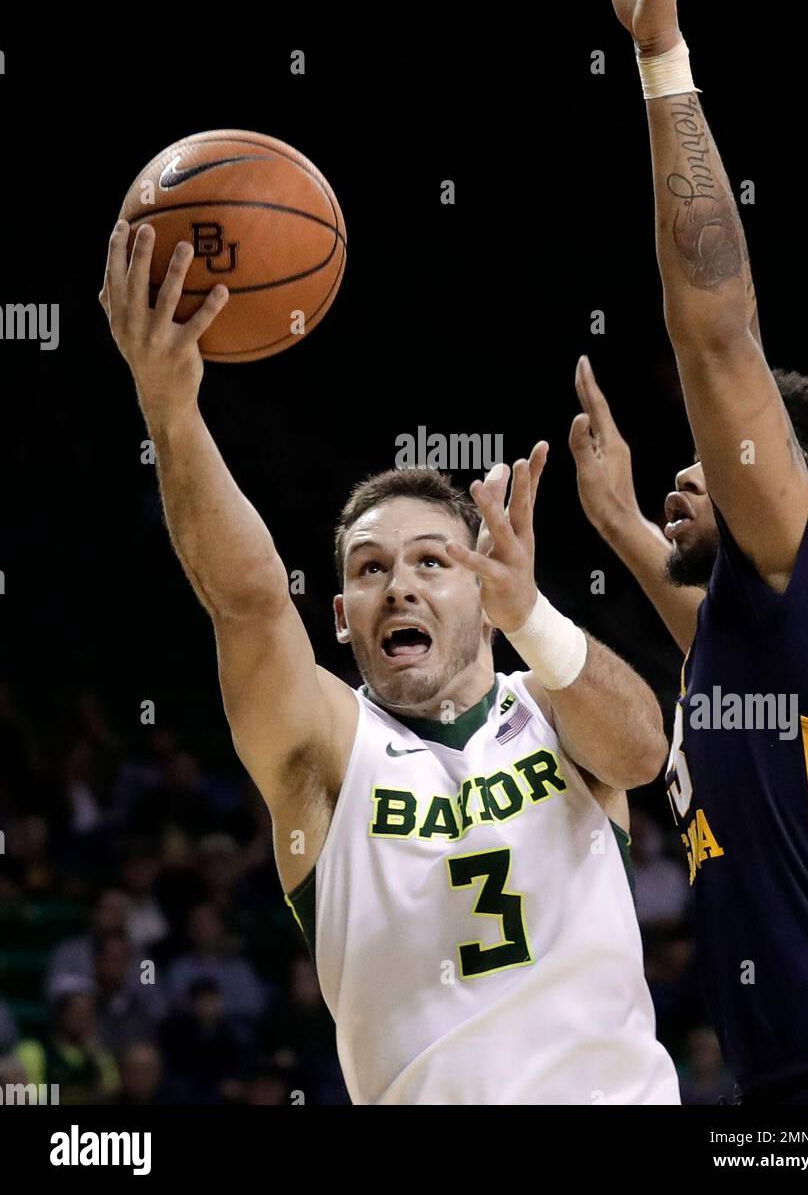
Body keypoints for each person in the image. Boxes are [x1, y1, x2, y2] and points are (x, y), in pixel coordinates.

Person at [99, 221, 678, 1105]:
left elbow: (641, 755)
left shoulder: (553, 702)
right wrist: (169, 408)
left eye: (432, 562)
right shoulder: (328, 750)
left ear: (482, 593)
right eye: (371, 570)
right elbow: (250, 597)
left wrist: (532, 613)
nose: (399, 585)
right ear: (341, 617)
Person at [569, 0, 808, 1104]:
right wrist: (614, 525)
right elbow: (698, 614)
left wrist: (658, 55)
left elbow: (713, 323)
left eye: (722, 465)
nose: (686, 477)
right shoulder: (784, 635)